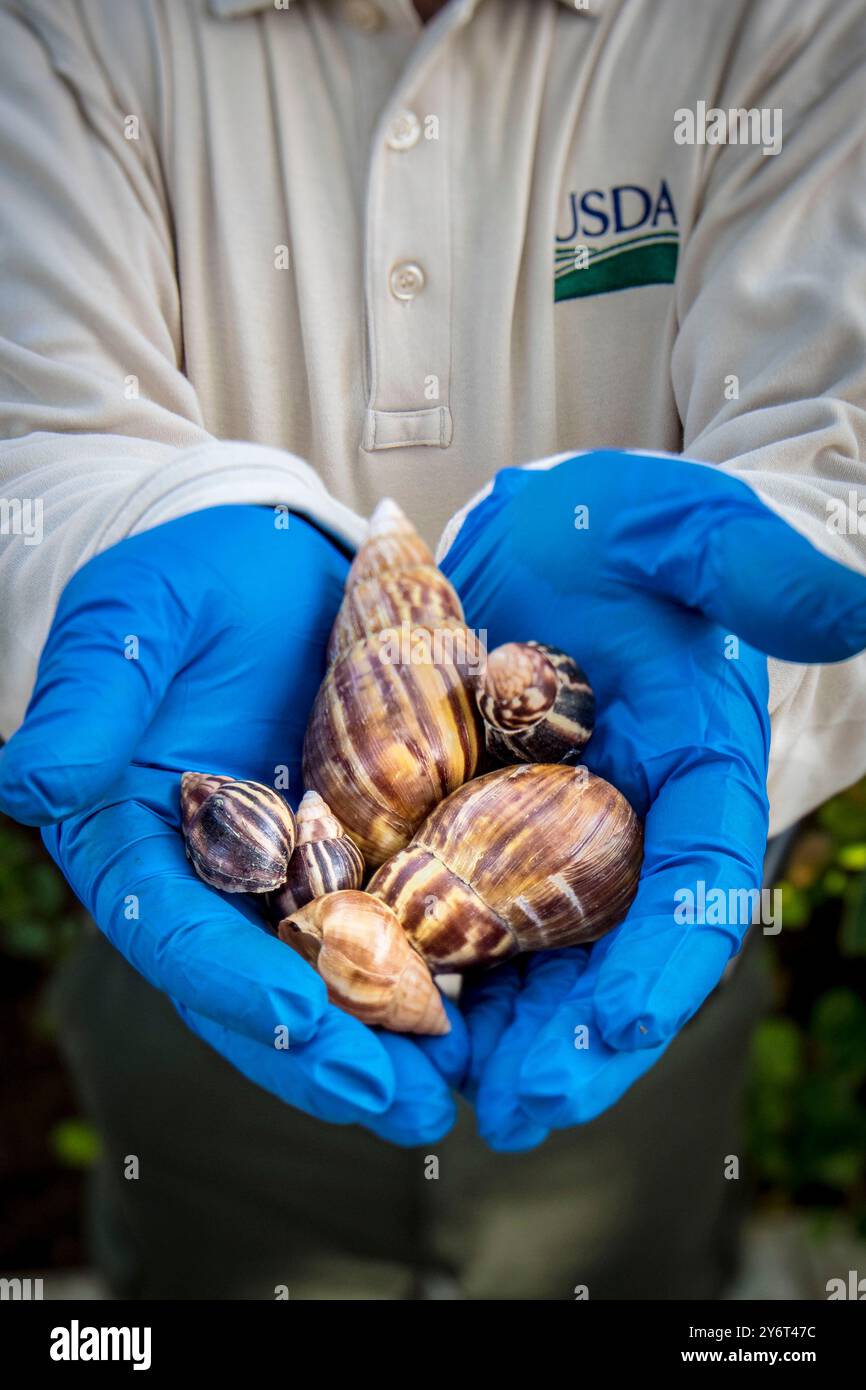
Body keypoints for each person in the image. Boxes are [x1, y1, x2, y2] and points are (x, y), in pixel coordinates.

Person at [1, 0, 864, 1300]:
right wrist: (114, 547)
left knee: (634, 1247)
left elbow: (834, 437)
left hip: (652, 931)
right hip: (193, 945)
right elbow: (32, 409)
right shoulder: (61, 24)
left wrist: (742, 646)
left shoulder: (789, 22)